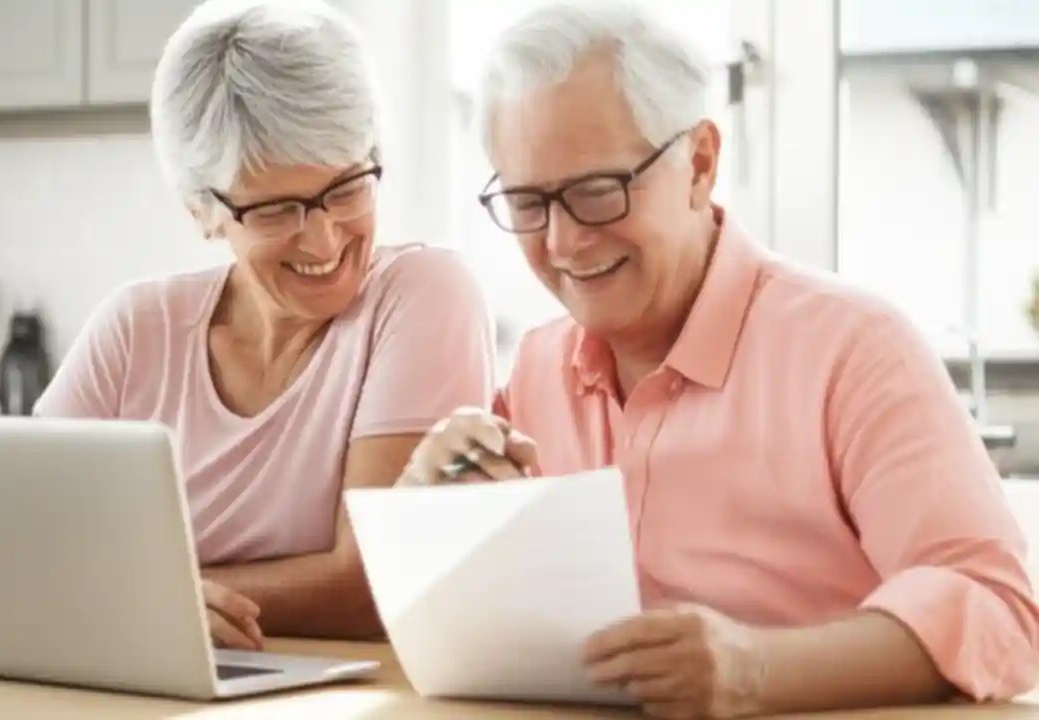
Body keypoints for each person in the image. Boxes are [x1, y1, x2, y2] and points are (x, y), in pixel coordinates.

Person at [401, 1, 1039, 717]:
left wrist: (757, 670)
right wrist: (425, 513)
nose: (562, 242)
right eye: (528, 203)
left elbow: (999, 610)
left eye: (596, 193)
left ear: (699, 164)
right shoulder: (538, 370)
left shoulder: (853, 350)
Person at [35, 0, 494, 650]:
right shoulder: (133, 331)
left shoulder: (422, 295)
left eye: (347, 187)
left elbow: (371, 582)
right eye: (278, 210)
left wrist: (153, 596)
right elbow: (31, 557)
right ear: (202, 210)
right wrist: (135, 601)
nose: (325, 239)